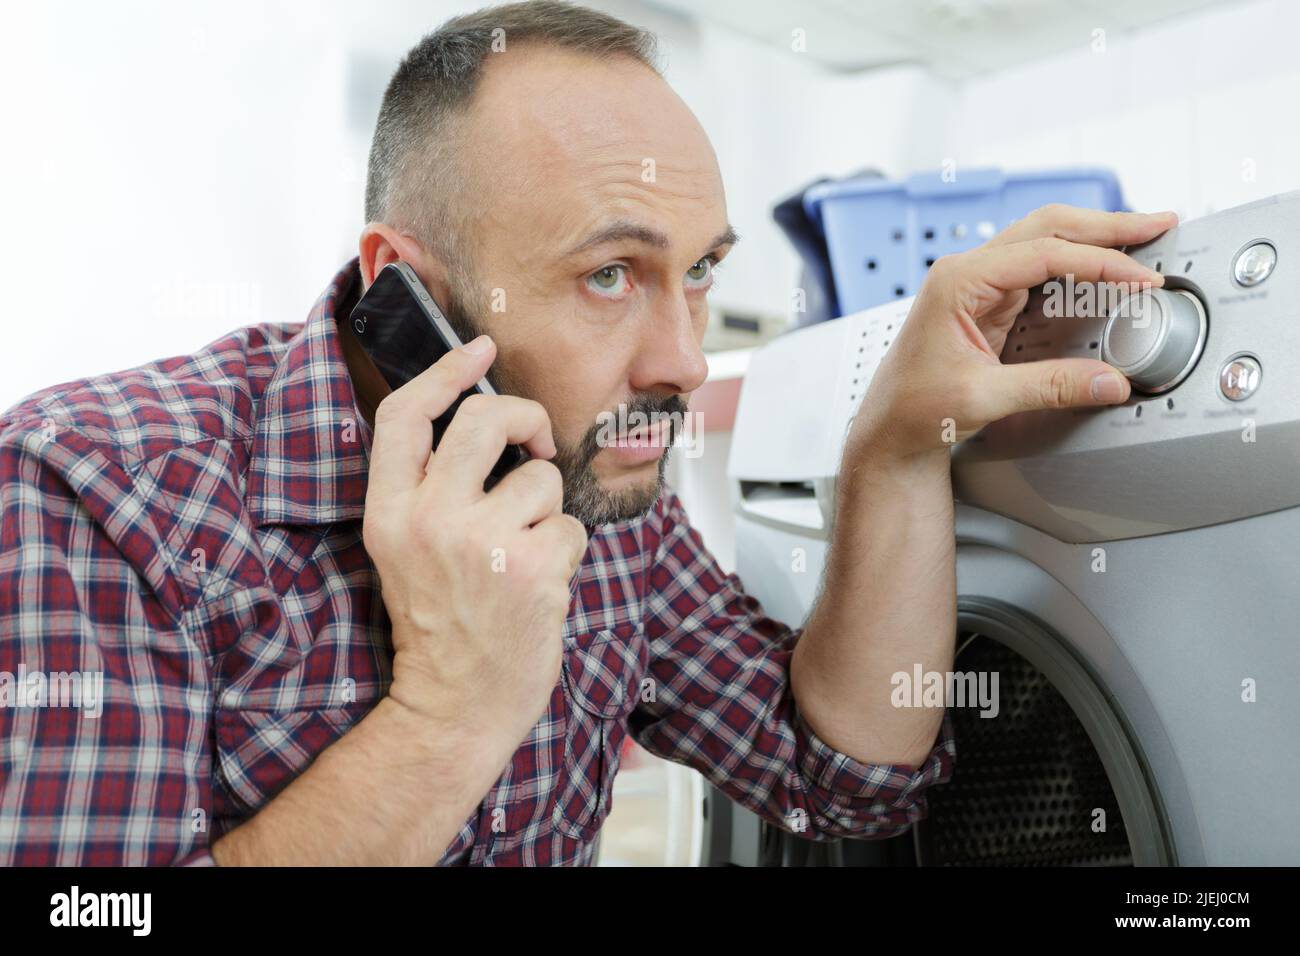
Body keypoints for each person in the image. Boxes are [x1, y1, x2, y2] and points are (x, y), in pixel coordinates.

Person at [0, 0, 1171, 865]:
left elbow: (842, 779)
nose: (683, 360)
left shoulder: (592, 481)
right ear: (401, 291)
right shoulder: (96, 490)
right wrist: (447, 709)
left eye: (700, 272)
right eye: (609, 273)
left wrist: (899, 449)